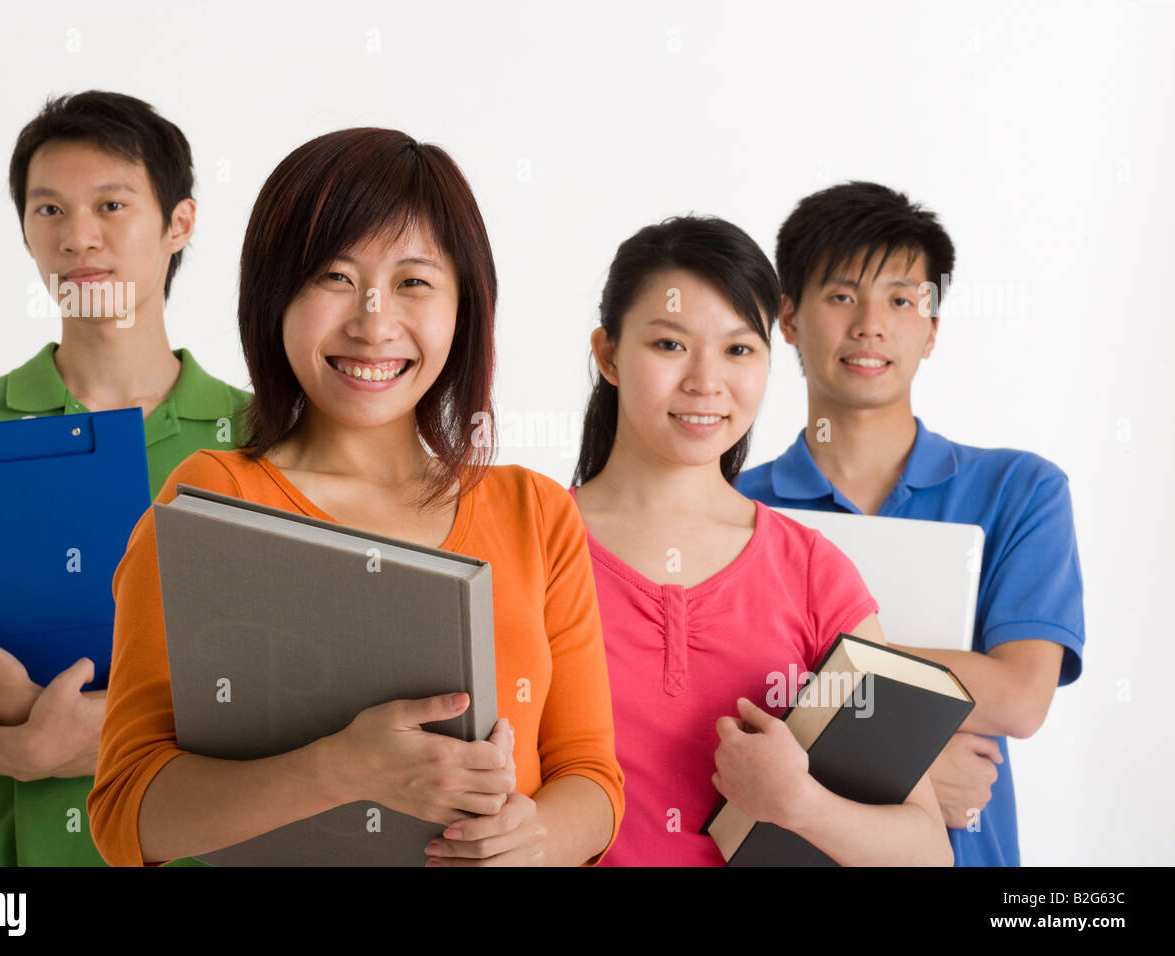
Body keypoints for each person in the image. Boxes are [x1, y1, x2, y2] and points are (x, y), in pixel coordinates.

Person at [86, 127, 624, 867]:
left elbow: (591, 777)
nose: (374, 323)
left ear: (465, 308)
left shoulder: (535, 513)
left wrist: (532, 838)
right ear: (273, 297)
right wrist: (342, 769)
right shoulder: (215, 499)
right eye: (334, 278)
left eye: (414, 282)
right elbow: (126, 812)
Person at [0, 90, 251, 866]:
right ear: (24, 233)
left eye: (111, 204)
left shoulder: (263, 442)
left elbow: (308, 681)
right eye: (49, 211)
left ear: (179, 223)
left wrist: (98, 731)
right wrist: (22, 751)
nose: (79, 236)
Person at [569, 215, 952, 865]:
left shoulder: (810, 571)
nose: (704, 382)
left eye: (739, 350)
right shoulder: (534, 544)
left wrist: (799, 804)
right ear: (608, 353)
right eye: (669, 345)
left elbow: (926, 849)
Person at [738, 181, 1085, 866]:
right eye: (841, 296)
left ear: (931, 330)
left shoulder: (1021, 491)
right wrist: (920, 768)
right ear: (787, 318)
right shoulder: (734, 507)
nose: (871, 325)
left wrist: (800, 680)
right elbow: (698, 708)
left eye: (901, 300)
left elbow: (1018, 697)